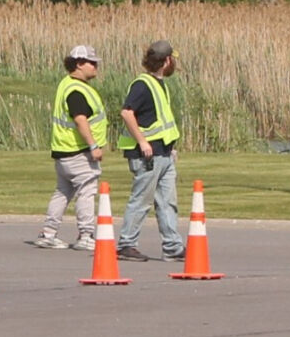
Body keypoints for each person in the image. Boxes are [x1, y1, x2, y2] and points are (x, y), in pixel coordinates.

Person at [32, 44, 108, 250]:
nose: (95, 67)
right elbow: (80, 120)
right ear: (79, 64)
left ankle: (48, 233)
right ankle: (86, 235)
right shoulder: (76, 90)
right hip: (78, 151)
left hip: (63, 151)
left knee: (63, 191)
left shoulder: (66, 84)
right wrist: (94, 145)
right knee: (87, 190)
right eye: (91, 63)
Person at [115, 40, 184, 262]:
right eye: (172, 59)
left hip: (163, 153)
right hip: (148, 155)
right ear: (166, 61)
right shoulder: (142, 84)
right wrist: (143, 142)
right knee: (141, 201)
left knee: (167, 202)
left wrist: (170, 148)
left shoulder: (158, 84)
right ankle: (127, 244)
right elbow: (127, 112)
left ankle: (173, 246)